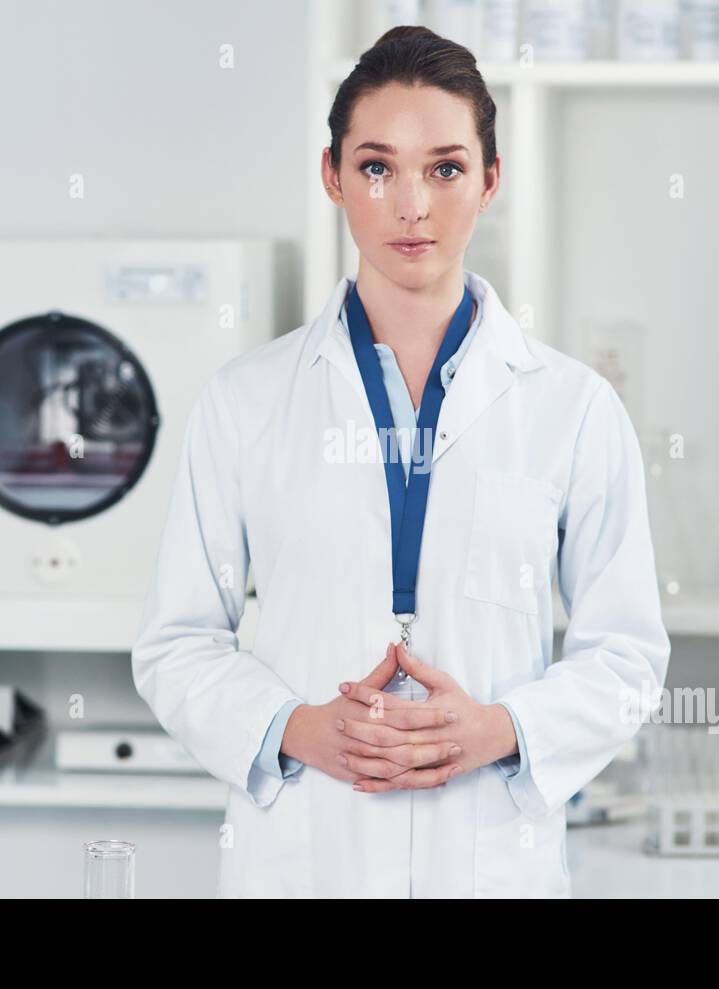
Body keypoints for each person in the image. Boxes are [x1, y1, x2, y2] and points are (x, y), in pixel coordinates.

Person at [131, 25, 670, 898]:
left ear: (489, 180)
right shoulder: (247, 401)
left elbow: (627, 655)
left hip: (488, 858)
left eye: (446, 168)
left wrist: (500, 729)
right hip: (305, 858)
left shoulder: (572, 409)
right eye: (378, 167)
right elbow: (176, 642)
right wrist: (294, 727)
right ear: (333, 177)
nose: (411, 204)